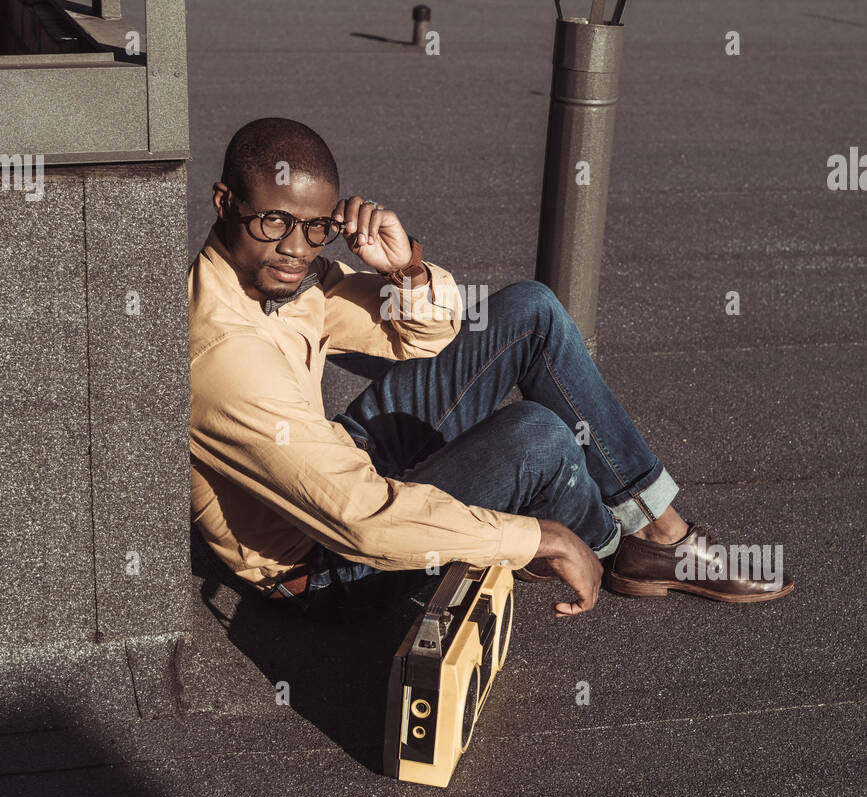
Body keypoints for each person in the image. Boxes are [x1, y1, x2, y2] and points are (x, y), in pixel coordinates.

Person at [189, 116, 793, 621]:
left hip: (341, 457)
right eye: (274, 222)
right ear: (224, 203)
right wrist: (538, 537)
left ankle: (662, 533)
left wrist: (406, 273)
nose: (295, 248)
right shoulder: (226, 356)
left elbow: (426, 336)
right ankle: (609, 548)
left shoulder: (286, 273)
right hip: (327, 562)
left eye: (315, 227)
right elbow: (363, 522)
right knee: (539, 437)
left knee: (530, 308)